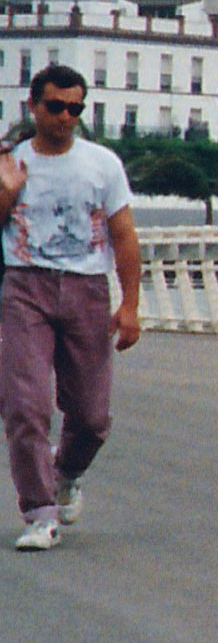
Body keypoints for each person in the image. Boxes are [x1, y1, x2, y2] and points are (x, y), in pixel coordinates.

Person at [0, 65, 141, 553]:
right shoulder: (10, 162)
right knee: (25, 406)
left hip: (86, 290)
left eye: (75, 109)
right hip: (25, 287)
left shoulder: (101, 164)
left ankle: (66, 473)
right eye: (56, 107)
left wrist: (130, 306)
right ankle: (40, 513)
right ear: (34, 106)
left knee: (92, 415)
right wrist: (6, 191)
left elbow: (124, 236)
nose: (65, 117)